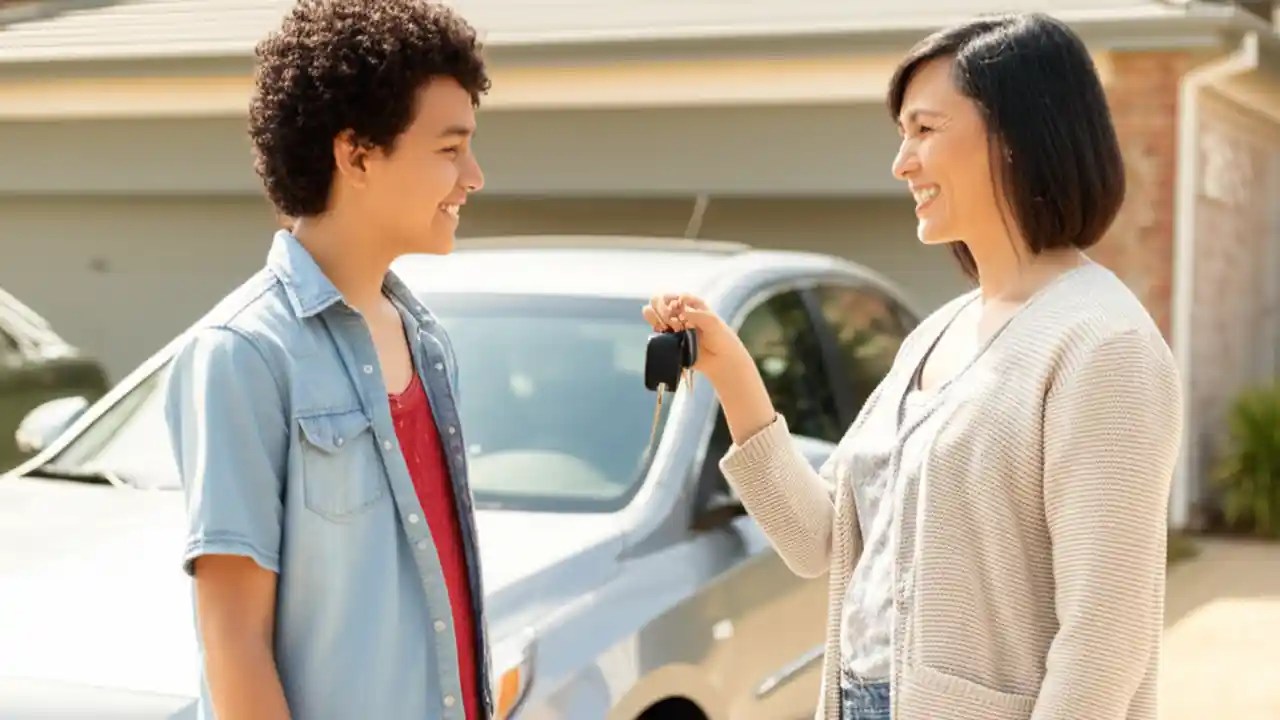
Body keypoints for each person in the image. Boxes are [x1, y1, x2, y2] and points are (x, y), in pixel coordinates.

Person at [644, 13, 1182, 720]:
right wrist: (731, 370)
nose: (902, 163)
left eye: (925, 130)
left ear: (1019, 136)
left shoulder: (1103, 346)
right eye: (902, 135)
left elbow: (1105, 636)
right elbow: (818, 542)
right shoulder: (938, 333)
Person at [163, 1, 491, 718]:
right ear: (357, 154)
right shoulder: (244, 354)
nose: (474, 176)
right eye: (449, 148)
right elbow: (233, 645)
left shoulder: (428, 347)